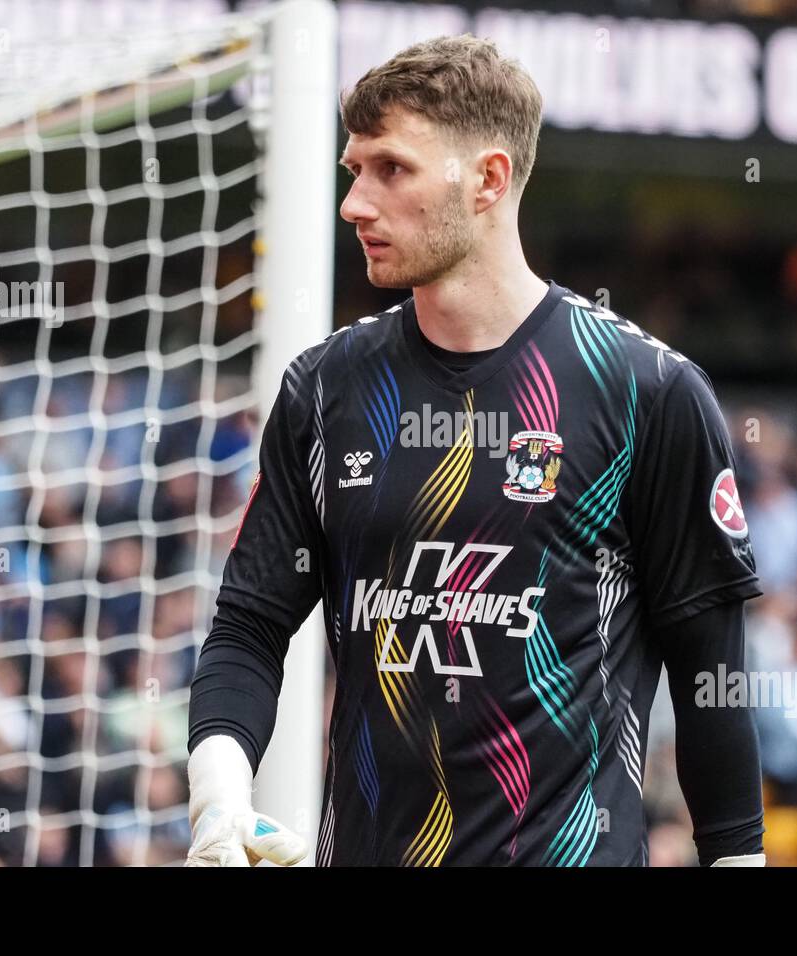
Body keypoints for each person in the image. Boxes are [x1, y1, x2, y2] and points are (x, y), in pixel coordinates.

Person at [186, 35, 765, 867]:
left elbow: (713, 687)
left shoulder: (649, 392)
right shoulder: (325, 389)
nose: (355, 202)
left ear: (488, 179)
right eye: (354, 169)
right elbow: (248, 625)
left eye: (391, 169)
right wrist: (218, 800)